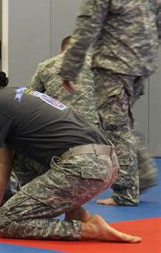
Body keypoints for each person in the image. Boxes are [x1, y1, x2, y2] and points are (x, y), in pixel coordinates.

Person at [0, 65, 140, 243]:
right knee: (19, 158)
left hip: (84, 165)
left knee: (8, 222)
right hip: (105, 162)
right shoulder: (15, 95)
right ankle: (77, 214)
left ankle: (89, 229)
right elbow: (3, 164)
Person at [59, 0, 160, 206]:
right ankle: (144, 172)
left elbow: (87, 27)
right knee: (123, 123)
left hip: (113, 65)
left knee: (115, 128)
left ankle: (126, 192)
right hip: (142, 64)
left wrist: (69, 68)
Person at [31, 35, 158, 194]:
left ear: (61, 51)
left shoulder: (46, 66)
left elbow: (31, 99)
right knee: (129, 137)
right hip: (103, 126)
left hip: (64, 129)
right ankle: (132, 188)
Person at [28, 36, 98, 125]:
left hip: (59, 124)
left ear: (61, 50)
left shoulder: (45, 66)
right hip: (91, 126)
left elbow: (30, 97)